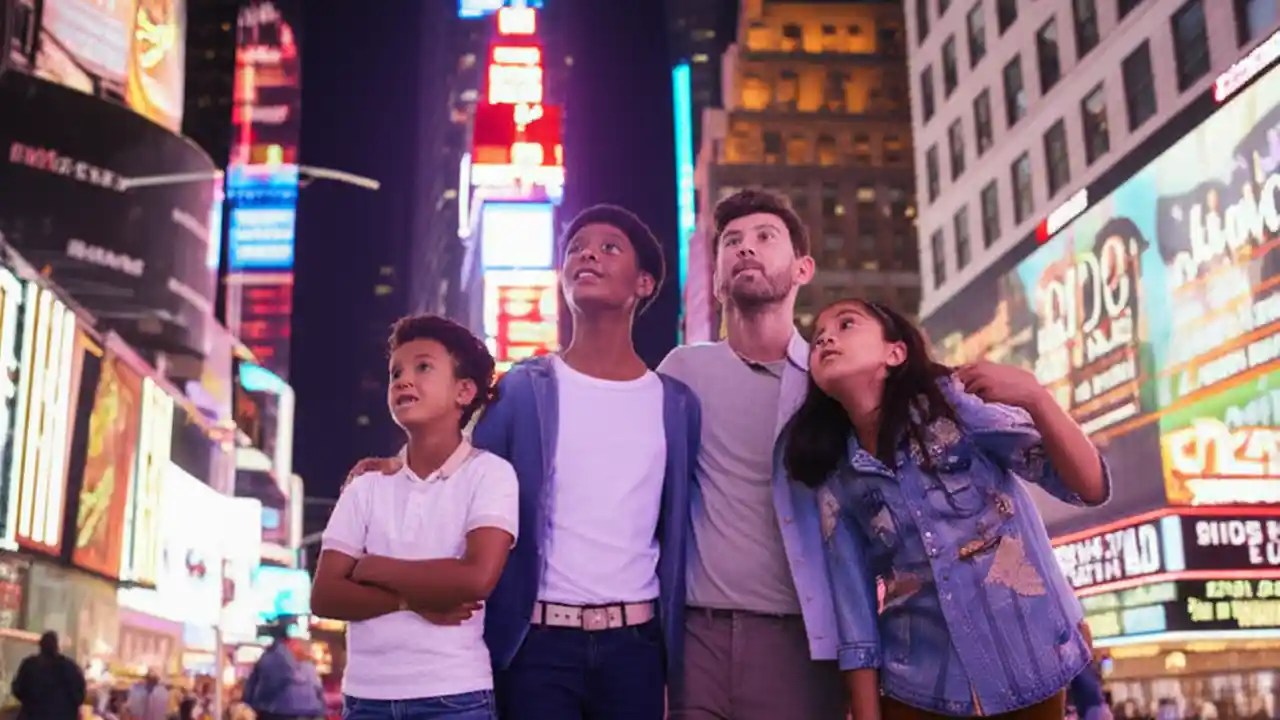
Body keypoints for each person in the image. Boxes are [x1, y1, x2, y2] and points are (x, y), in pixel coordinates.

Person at [347, 204, 701, 719]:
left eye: (608, 248)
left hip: (637, 649)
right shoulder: (524, 389)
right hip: (536, 647)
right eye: (576, 248)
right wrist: (397, 468)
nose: (587, 255)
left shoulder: (676, 403)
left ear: (643, 283)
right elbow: (465, 475)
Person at [783, 297, 1112, 719]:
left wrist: (1035, 396)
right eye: (817, 338)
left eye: (847, 324)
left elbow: (1089, 486)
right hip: (918, 689)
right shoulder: (837, 480)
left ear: (895, 352)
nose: (826, 336)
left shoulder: (953, 405)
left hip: (1030, 666)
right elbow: (855, 618)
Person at [657, 188, 845, 718]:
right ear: (715, 280)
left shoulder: (829, 381)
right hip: (697, 637)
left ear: (802, 268)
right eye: (732, 242)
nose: (746, 248)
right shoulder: (681, 371)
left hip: (801, 641)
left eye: (766, 238)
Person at [313, 314, 517, 719]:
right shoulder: (366, 484)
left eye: (423, 367)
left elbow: (475, 578)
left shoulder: (490, 475)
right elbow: (325, 596)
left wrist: (371, 567)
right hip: (366, 698)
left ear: (464, 391)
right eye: (396, 373)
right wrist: (410, 600)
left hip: (454, 695)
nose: (403, 380)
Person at [10, 630, 85, 720]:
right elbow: (79, 695)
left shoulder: (29, 665)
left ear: (40, 646)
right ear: (57, 647)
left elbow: (17, 689)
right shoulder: (69, 667)